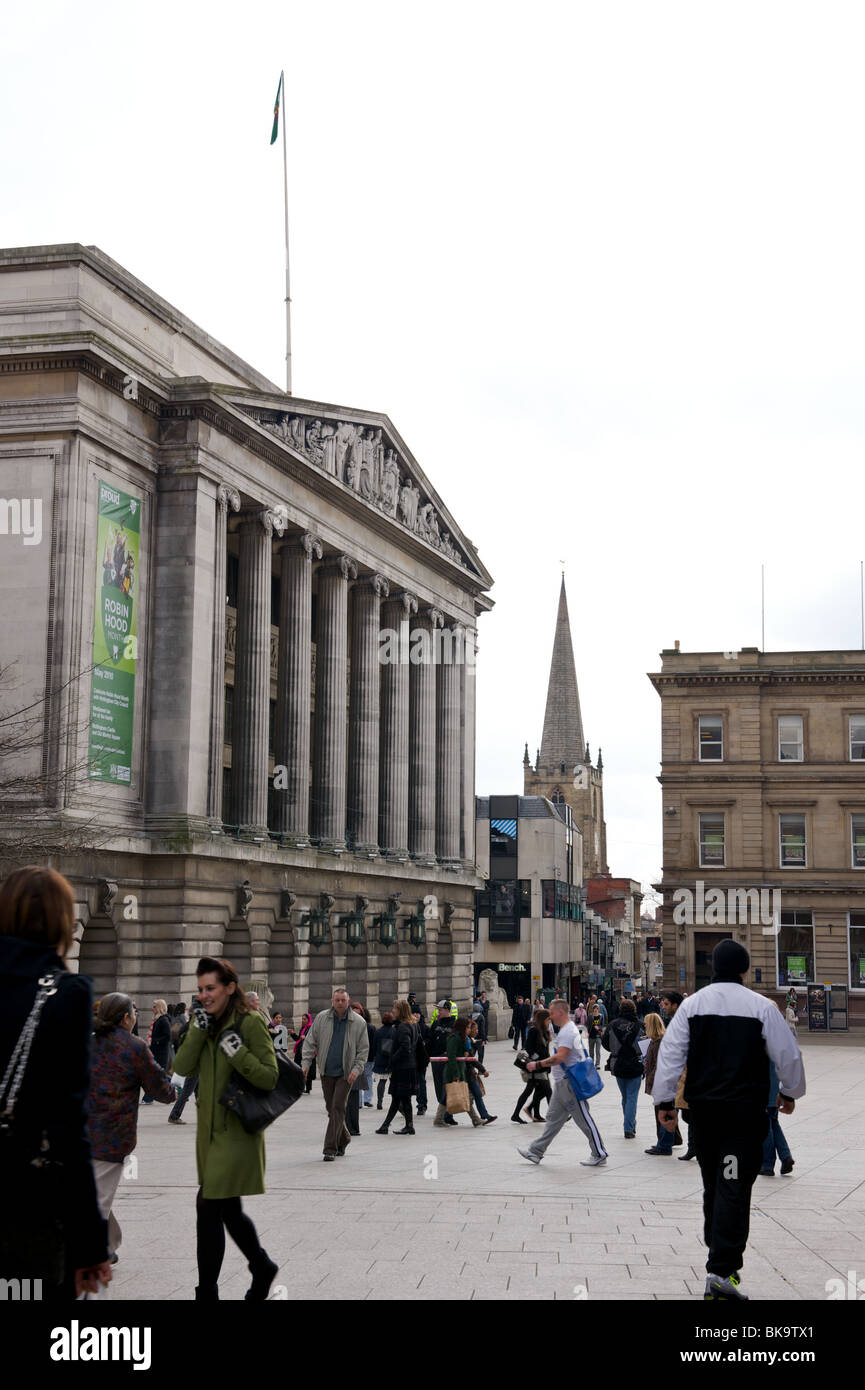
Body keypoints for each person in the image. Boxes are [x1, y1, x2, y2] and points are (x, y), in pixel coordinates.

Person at [653, 939, 805, 1301]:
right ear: (745, 970)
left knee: (714, 1184)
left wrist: (664, 1102)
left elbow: (671, 1055)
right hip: (743, 1115)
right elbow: (789, 1055)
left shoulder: (691, 1006)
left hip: (704, 1115)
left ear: (713, 966)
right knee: (733, 1187)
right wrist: (789, 1092)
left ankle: (719, 1256)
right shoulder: (762, 1008)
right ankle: (721, 1270)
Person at [0, 865, 111, 1300]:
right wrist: (91, 1246)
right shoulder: (64, 994)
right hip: (26, 1204)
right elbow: (68, 1128)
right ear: (63, 922)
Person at [172, 956, 279, 1299]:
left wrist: (236, 1052)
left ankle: (207, 1293)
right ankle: (262, 1266)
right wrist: (199, 1029)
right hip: (209, 1135)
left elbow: (269, 1076)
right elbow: (183, 1067)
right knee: (228, 1210)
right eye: (200, 989)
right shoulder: (205, 1023)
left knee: (207, 1206)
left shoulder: (248, 1023)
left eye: (211, 988)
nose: (204, 995)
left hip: (237, 1133)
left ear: (230, 987)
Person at [88, 993, 176, 1261]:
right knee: (97, 1198)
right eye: (134, 1012)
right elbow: (161, 1089)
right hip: (111, 1136)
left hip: (80, 1131)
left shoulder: (87, 1042)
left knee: (92, 1190)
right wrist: (173, 1089)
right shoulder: (134, 1046)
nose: (136, 1016)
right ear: (126, 1018)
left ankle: (108, 1243)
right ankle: (92, 1255)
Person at [517, 998, 607, 1167]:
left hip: (569, 1083)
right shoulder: (567, 1029)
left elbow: (560, 1057)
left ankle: (599, 1152)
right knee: (553, 1119)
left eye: (551, 1013)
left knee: (583, 1119)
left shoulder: (567, 1032)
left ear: (560, 1012)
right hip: (562, 1083)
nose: (549, 1017)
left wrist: (536, 1064)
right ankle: (536, 1151)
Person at [301, 987, 369, 1160]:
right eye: (337, 1000)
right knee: (331, 1109)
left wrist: (356, 1069)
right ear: (332, 1001)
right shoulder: (322, 1018)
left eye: (343, 1000)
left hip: (346, 1073)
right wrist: (305, 1064)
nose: (340, 1003)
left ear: (348, 1001)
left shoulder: (358, 1022)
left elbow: (363, 1050)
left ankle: (329, 1149)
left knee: (338, 1107)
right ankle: (344, 1137)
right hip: (326, 1071)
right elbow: (310, 1042)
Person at [601, 997, 644, 1137]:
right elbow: (645, 1045)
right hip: (635, 1063)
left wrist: (615, 1050)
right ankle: (629, 1127)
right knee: (632, 1097)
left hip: (618, 1063)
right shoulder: (640, 1025)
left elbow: (605, 1043)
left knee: (625, 1097)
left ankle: (629, 1123)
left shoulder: (613, 1025)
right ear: (634, 1009)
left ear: (620, 1009)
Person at [376, 999, 418, 1134]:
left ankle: (388, 1126)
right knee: (403, 1098)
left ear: (400, 1011)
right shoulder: (412, 1025)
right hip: (409, 1066)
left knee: (398, 1098)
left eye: (395, 1009)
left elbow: (406, 1047)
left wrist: (393, 1058)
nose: (393, 1011)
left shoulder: (403, 1027)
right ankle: (404, 1126)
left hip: (402, 1068)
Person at [641, 1012, 679, 1155]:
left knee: (665, 1112)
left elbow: (660, 1065)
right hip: (660, 1082)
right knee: (662, 1112)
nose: (644, 1025)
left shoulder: (660, 1042)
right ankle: (665, 1141)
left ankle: (665, 1145)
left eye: (646, 1023)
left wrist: (650, 1077)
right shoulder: (655, 1040)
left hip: (663, 1083)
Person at [438, 1016, 483, 1127]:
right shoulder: (454, 1038)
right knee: (461, 1095)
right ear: (462, 1027)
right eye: (467, 1027)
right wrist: (455, 1074)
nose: (469, 1029)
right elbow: (452, 1057)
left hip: (460, 1070)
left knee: (451, 1096)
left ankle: (438, 1119)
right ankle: (475, 1119)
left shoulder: (462, 1038)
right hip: (453, 1072)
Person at [512, 1008, 552, 1123]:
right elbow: (528, 1047)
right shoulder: (534, 1031)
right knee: (548, 1091)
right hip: (536, 1067)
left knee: (532, 1091)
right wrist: (536, 1060)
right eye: (548, 1019)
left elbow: (546, 1050)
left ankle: (531, 1113)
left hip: (542, 1066)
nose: (550, 1021)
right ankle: (554, 1117)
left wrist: (547, 1064)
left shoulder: (545, 1032)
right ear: (543, 1019)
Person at [760, 1053, 795, 1177]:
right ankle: (785, 1157)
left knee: (764, 1126)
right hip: (776, 1089)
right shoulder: (777, 1040)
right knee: (773, 1122)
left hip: (764, 1090)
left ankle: (767, 1165)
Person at [429, 1008, 458, 1126]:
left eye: (440, 1010)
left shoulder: (454, 1024)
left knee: (447, 1086)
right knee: (438, 1084)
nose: (438, 1012)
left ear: (447, 1010)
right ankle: (444, 1113)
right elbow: (430, 1039)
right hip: (435, 1058)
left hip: (447, 1059)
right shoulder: (436, 1024)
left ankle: (448, 1114)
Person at [465, 1018, 496, 1123]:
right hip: (467, 1073)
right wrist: (483, 1070)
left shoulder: (470, 1040)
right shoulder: (466, 1041)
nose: (476, 1031)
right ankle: (445, 1116)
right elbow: (471, 1059)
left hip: (470, 1072)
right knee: (451, 1097)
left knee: (477, 1094)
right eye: (474, 1029)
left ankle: (484, 1115)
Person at [142, 999, 171, 1104]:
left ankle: (148, 1098)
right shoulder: (157, 1019)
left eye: (154, 1006)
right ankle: (174, 1088)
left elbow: (167, 1037)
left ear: (159, 1008)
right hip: (155, 1051)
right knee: (159, 1075)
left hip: (160, 1053)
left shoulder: (164, 1020)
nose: (152, 1008)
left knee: (155, 1075)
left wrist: (155, 1041)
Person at [372, 1010, 395, 1108]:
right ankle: (395, 1101)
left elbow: (374, 1046)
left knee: (382, 1082)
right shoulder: (395, 1031)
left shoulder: (378, 1032)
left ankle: (379, 1102)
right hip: (392, 1060)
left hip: (381, 1060)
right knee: (394, 1082)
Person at [289, 1012, 314, 1092]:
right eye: (302, 1019)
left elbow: (314, 1039)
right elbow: (298, 1039)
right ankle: (301, 1086)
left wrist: (306, 1037)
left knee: (307, 1069)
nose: (303, 1021)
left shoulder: (311, 1029)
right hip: (300, 1051)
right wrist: (292, 1034)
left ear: (308, 1020)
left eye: (305, 1019)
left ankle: (308, 1087)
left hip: (307, 1051)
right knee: (299, 1069)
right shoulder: (303, 1028)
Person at [413, 1012, 431, 1115]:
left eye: (418, 1013)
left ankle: (421, 1104)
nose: (416, 1015)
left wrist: (424, 1043)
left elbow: (430, 1040)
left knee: (420, 1082)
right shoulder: (408, 1026)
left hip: (421, 1060)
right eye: (414, 1013)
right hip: (410, 1060)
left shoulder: (425, 1028)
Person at [471, 994, 488, 1064]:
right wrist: (484, 1039)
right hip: (480, 1039)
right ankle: (480, 1070)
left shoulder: (470, 1016)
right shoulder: (481, 1017)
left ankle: (471, 1069)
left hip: (472, 1039)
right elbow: (482, 1029)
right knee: (480, 1055)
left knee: (471, 1055)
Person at [586, 1001, 603, 1067]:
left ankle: (598, 1064)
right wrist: (587, 1032)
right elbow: (587, 1024)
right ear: (593, 1009)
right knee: (591, 1051)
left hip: (598, 1036)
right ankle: (591, 1063)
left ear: (598, 1009)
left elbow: (602, 1025)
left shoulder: (601, 1016)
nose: (596, 1009)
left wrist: (598, 1028)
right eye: (594, 1008)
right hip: (591, 1035)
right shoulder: (590, 1016)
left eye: (597, 1008)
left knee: (598, 1051)